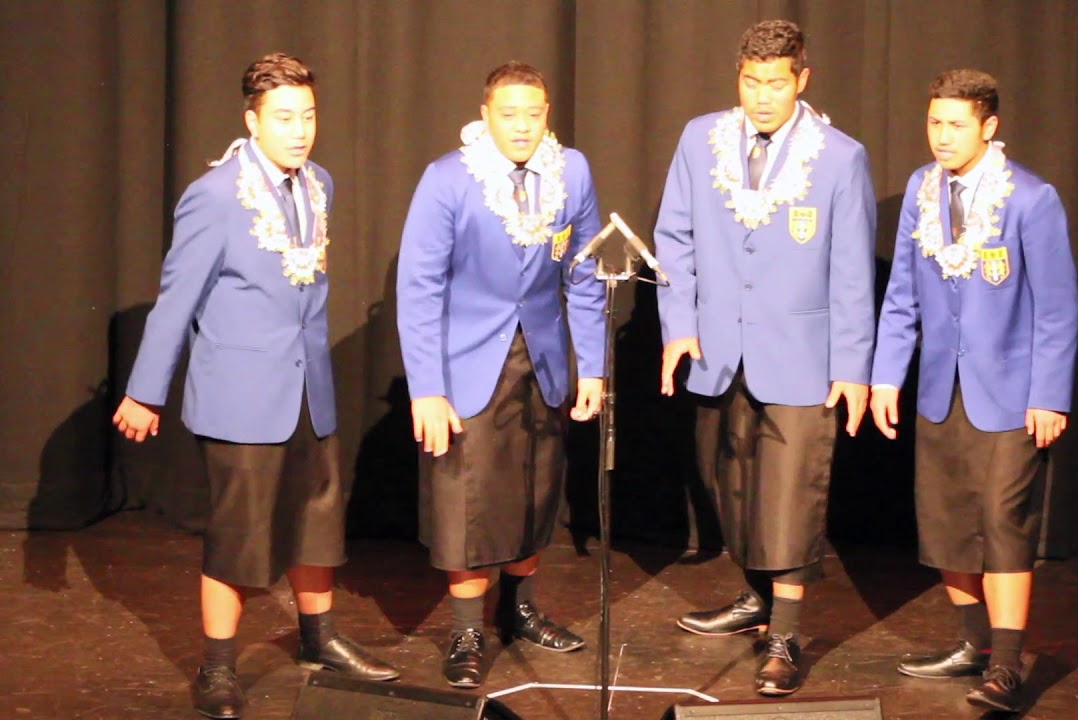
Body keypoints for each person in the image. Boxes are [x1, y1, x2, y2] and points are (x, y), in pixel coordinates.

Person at [112, 52, 398, 720]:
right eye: (285, 118)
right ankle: (218, 667)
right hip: (241, 395)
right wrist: (145, 390)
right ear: (253, 119)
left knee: (317, 521)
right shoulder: (216, 195)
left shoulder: (318, 181)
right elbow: (177, 300)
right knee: (239, 536)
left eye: (308, 116)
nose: (300, 131)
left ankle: (318, 638)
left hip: (308, 389)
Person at [654, 19, 877, 696]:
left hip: (801, 354)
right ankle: (754, 597)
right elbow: (676, 235)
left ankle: (784, 633)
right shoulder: (701, 139)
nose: (761, 96)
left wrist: (853, 366)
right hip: (721, 348)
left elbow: (852, 271)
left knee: (788, 496)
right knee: (731, 482)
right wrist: (678, 325)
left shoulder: (840, 156)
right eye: (751, 81)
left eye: (775, 83)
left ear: (801, 80)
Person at [869, 68, 1078, 713]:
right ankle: (973, 644)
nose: (941, 136)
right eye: (934, 122)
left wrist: (1050, 395)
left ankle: (1009, 665)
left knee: (1003, 522)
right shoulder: (920, 189)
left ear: (989, 127)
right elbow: (903, 293)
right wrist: (885, 375)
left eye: (956, 124)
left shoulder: (1030, 199)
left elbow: (1057, 308)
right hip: (941, 388)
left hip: (1012, 393)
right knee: (949, 522)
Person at [396, 61, 606, 689]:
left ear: (548, 116)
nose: (522, 126)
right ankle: (466, 627)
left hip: (540, 357)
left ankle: (518, 610)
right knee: (469, 499)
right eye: (509, 114)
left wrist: (590, 366)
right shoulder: (447, 180)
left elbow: (586, 273)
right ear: (485, 115)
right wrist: (427, 388)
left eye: (533, 114)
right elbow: (419, 289)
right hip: (468, 362)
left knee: (535, 488)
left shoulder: (572, 172)